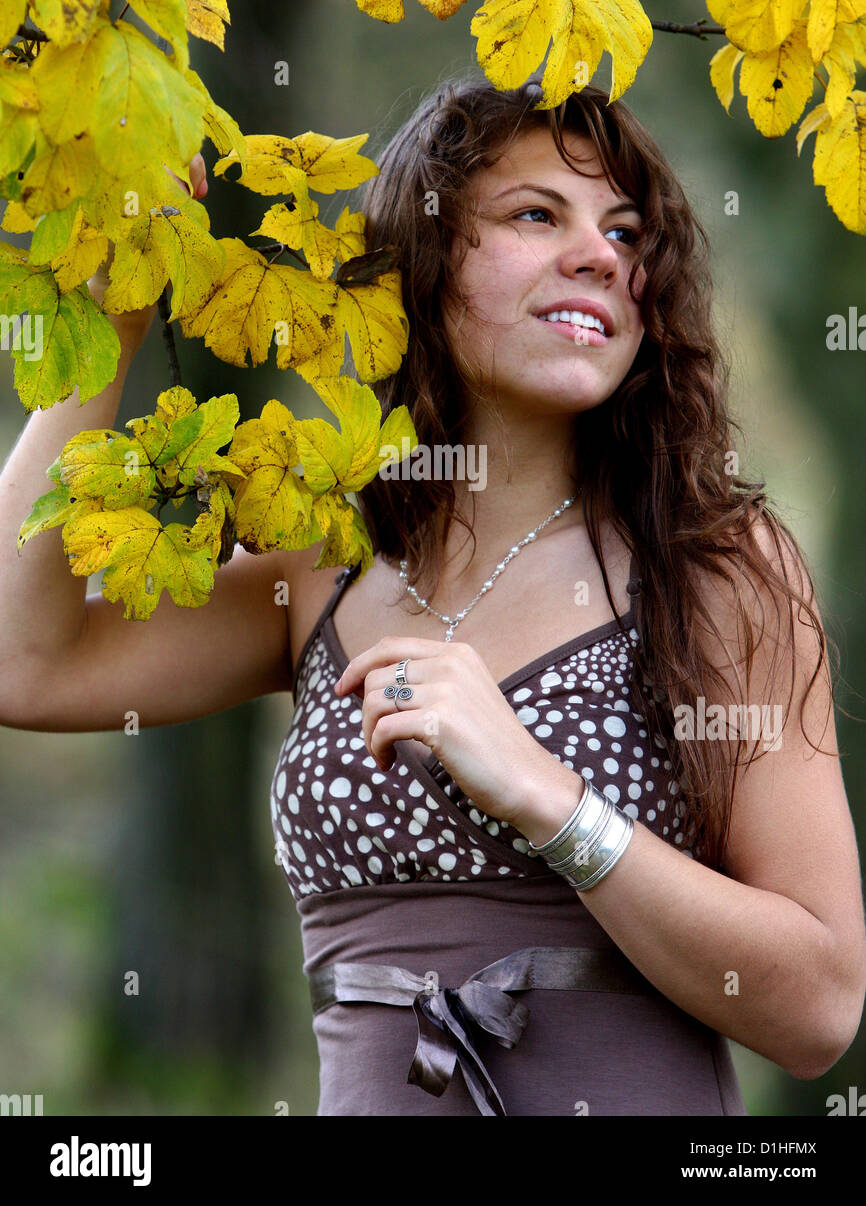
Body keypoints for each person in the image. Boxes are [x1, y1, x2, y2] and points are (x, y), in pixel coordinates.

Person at [0, 76, 864, 1117]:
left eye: (625, 231)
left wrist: (549, 801)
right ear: (420, 259)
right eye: (534, 214)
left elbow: (817, 1007)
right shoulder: (326, 556)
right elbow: (24, 661)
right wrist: (110, 321)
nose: (600, 253)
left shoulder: (711, 566)